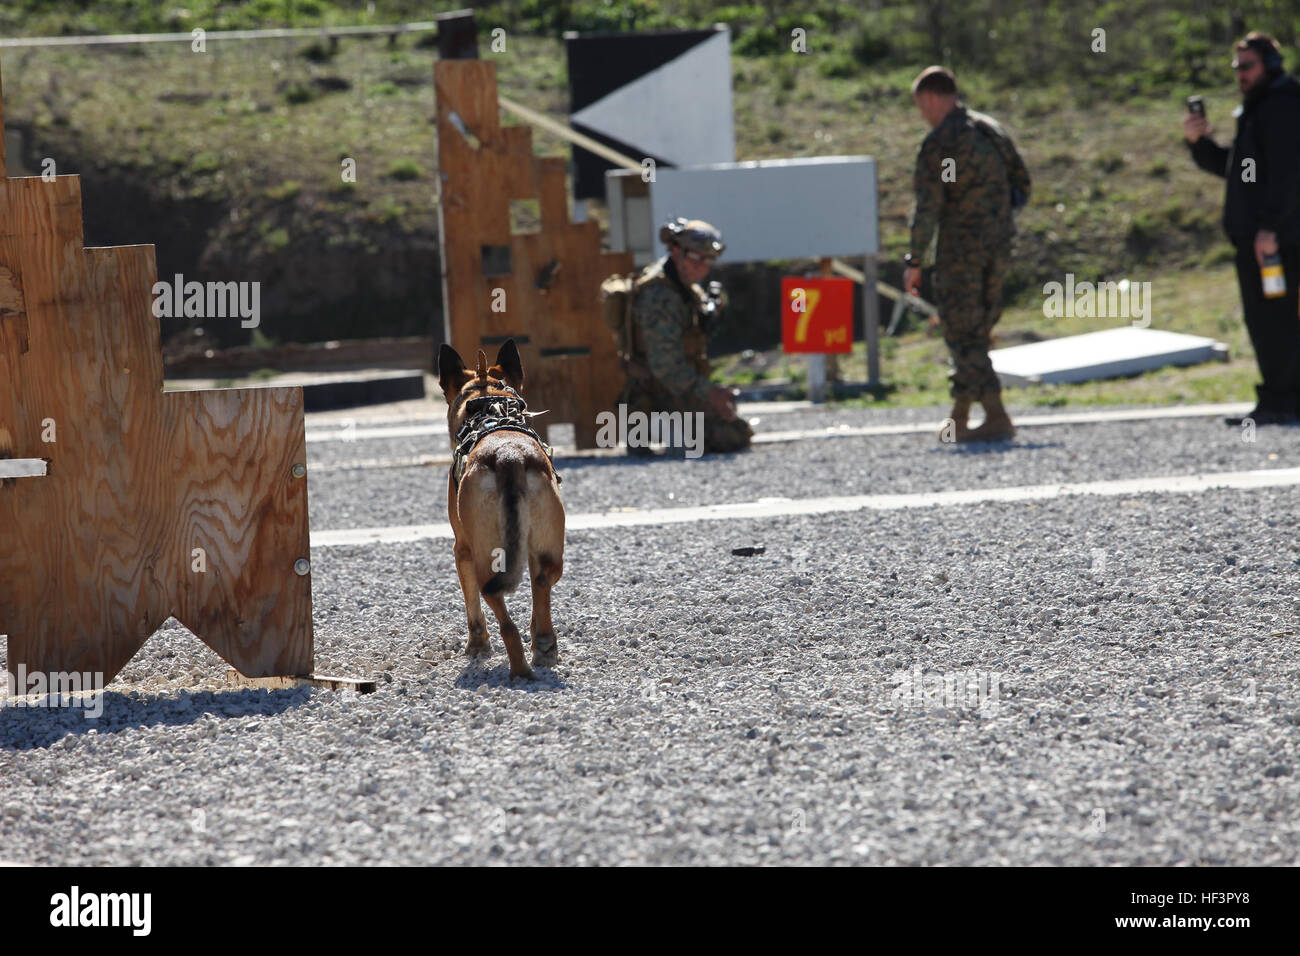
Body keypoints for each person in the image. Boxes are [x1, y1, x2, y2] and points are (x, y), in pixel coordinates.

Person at [903, 66, 1031, 443]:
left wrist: (914, 260)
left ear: (929, 98)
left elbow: (932, 205)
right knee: (975, 329)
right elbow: (1022, 184)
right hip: (999, 246)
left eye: (920, 106)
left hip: (961, 251)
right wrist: (996, 219)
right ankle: (958, 417)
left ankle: (995, 415)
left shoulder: (944, 143)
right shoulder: (991, 130)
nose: (921, 114)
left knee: (964, 332)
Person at [1185, 32, 1300, 426]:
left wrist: (1270, 227)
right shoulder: (1258, 109)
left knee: (1277, 319)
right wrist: (1200, 144)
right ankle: (1281, 396)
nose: (1240, 75)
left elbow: (1289, 175)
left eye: (1247, 66)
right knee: (1267, 318)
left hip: (1279, 241)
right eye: (1237, 68)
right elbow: (1240, 173)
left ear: (1269, 65)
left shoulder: (1282, 107)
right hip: (1263, 240)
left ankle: (1285, 399)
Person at [619, 218, 753, 454]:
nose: (704, 266)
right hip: (658, 393)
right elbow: (666, 367)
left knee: (735, 428)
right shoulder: (660, 295)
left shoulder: (684, 285)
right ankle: (652, 428)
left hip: (674, 388)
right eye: (698, 258)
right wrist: (711, 393)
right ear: (676, 251)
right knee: (734, 435)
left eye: (709, 260)